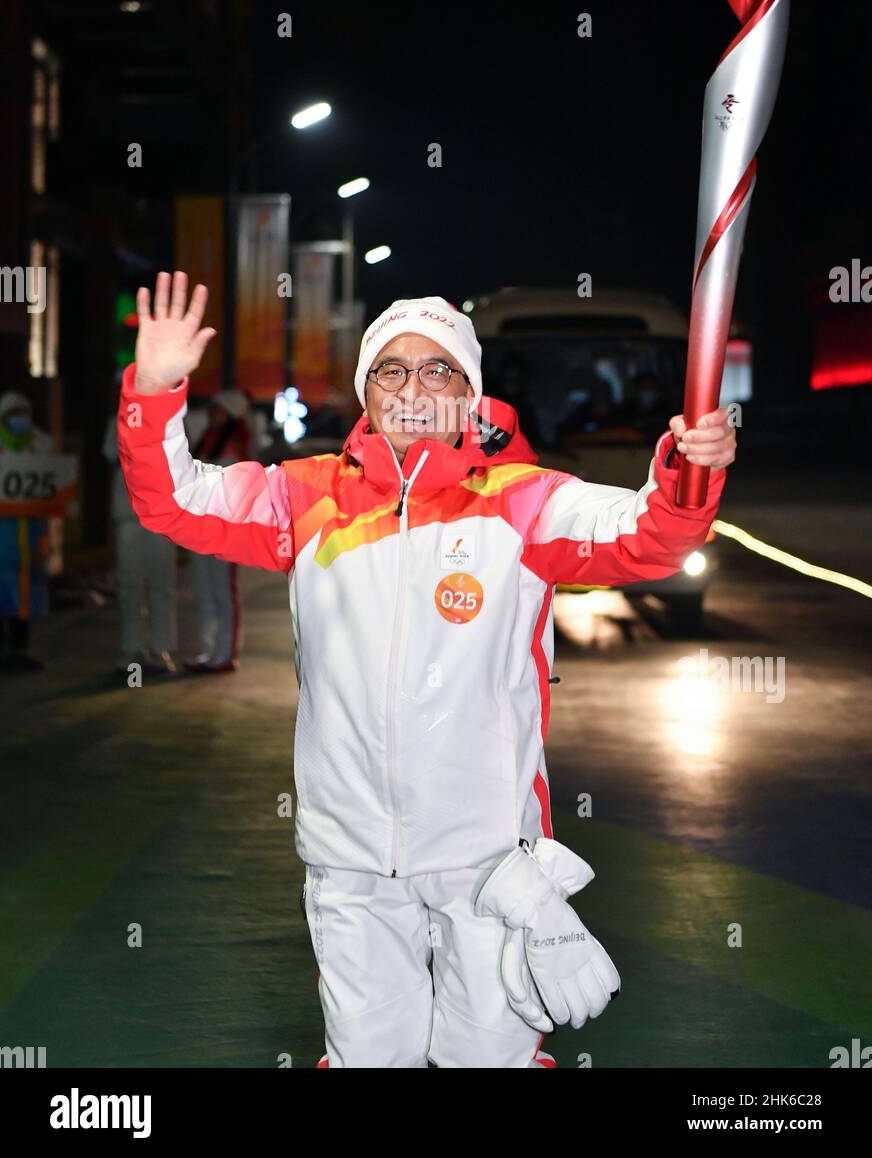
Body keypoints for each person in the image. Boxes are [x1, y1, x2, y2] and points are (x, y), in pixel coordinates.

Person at [118, 271, 737, 1068]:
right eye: (392, 370)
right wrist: (156, 391)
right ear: (367, 392)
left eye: (439, 369)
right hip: (349, 860)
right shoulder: (306, 499)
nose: (414, 388)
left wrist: (690, 468)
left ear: (471, 394)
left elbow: (653, 534)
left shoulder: (526, 502)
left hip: (489, 863)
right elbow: (172, 500)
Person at [102, 380, 179, 677]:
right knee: (129, 585)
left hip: (160, 516)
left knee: (162, 583)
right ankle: (132, 649)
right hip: (128, 516)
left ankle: (162, 649)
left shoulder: (168, 421)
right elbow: (113, 454)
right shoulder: (117, 422)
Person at [183, 388, 251, 674]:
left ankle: (226, 653)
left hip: (225, 531)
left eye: (219, 409)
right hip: (200, 528)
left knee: (223, 592)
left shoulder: (236, 446)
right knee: (204, 590)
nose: (212, 413)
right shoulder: (204, 442)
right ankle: (207, 650)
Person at [0, 391, 53, 672]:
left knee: (25, 591)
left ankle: (19, 649)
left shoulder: (41, 446)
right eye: (13, 414)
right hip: (3, 534)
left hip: (31, 534)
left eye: (24, 413)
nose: (20, 420)